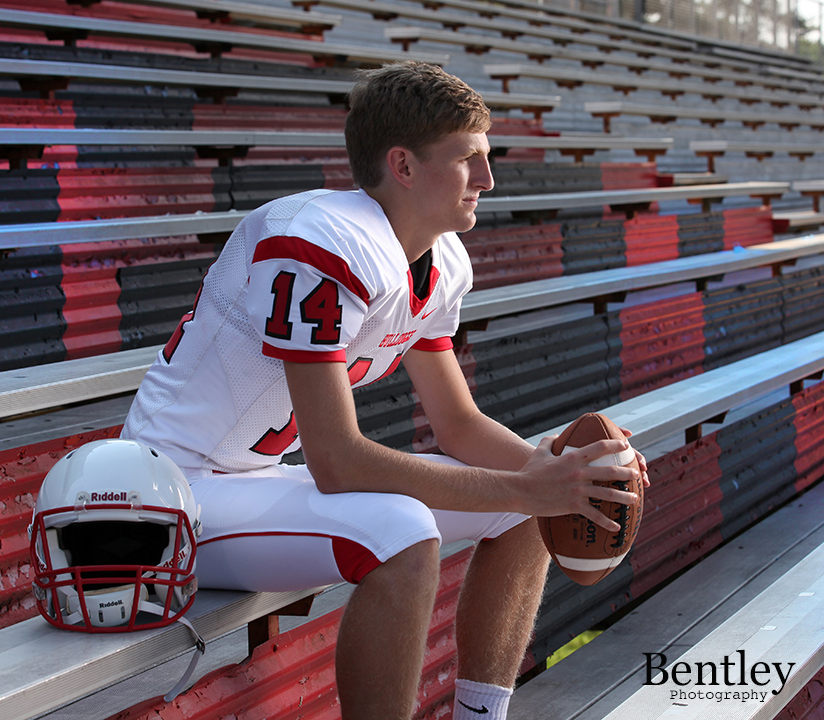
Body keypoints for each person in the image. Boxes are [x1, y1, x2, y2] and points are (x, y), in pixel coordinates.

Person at [121, 61, 648, 720]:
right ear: (402, 165)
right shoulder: (319, 239)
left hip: (254, 477)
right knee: (399, 528)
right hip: (172, 495)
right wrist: (528, 483)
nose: (488, 180)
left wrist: (561, 476)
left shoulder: (438, 257)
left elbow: (457, 424)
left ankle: (482, 715)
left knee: (519, 514)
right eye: (467, 160)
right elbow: (339, 464)